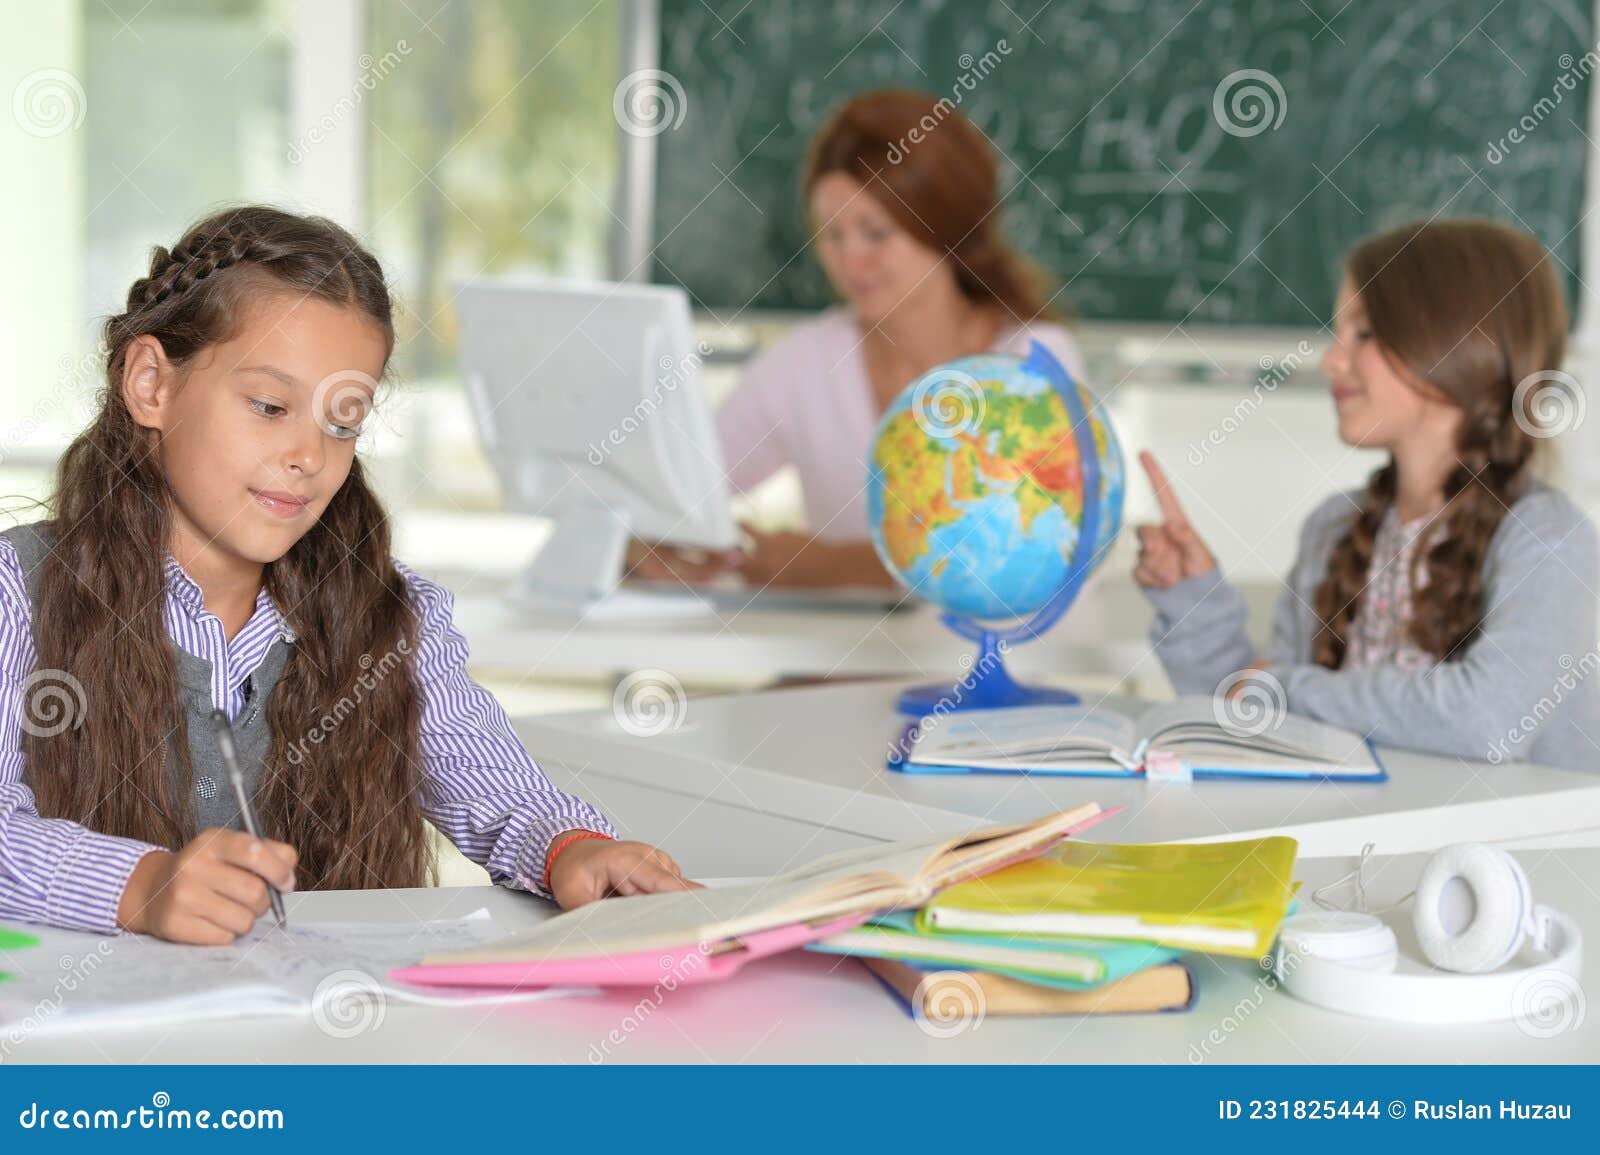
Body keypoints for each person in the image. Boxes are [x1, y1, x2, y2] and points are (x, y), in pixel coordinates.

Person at [0, 206, 696, 944]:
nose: (310, 455)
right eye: (270, 406)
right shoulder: (20, 590)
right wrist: (139, 885)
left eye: (342, 423)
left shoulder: (392, 613)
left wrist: (570, 847)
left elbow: (489, 777)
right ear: (151, 383)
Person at [1135, 218, 1600, 770]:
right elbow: (1258, 719)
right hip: (1371, 847)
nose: (1332, 360)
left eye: (1364, 333)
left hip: (1502, 856)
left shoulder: (1547, 539)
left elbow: (1488, 721)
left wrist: (1289, 692)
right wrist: (1192, 601)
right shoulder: (1335, 527)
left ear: (1452, 343)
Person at [633, 88, 1087, 589]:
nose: (850, 260)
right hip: (832, 667)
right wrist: (640, 544)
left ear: (946, 227)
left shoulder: (1031, 363)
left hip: (986, 668)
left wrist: (827, 566)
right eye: (833, 234)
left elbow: (1022, 558)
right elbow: (672, 490)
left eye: (875, 233)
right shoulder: (805, 361)